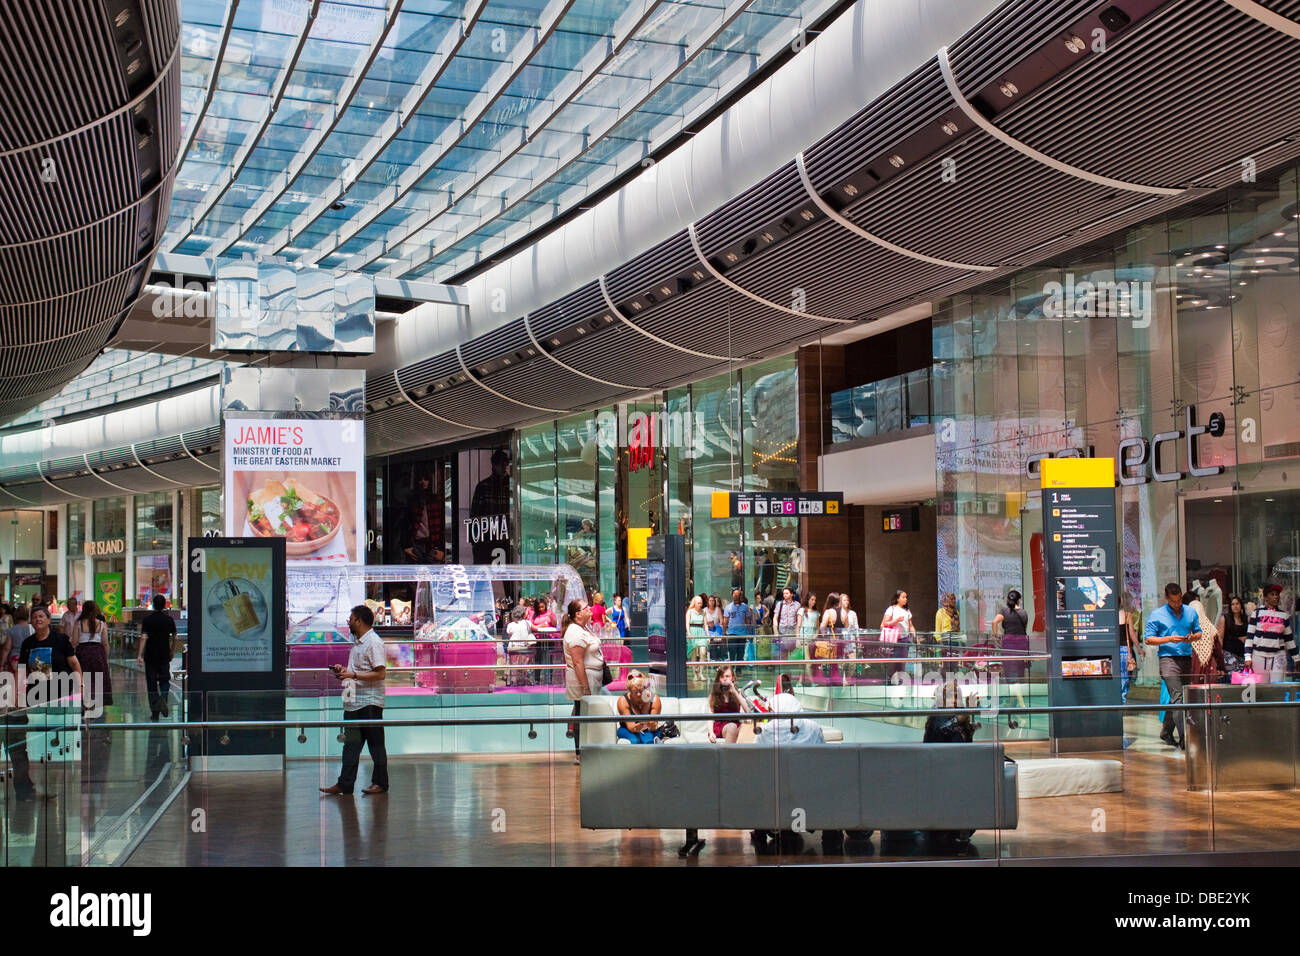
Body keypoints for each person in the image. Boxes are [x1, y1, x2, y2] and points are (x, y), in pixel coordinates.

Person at [321, 605, 389, 796]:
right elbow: (357, 671)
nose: (348, 622)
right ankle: (345, 784)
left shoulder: (374, 642)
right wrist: (343, 670)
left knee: (375, 745)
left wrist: (354, 675)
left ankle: (381, 783)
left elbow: (380, 673)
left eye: (350, 619)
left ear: (359, 620)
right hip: (354, 702)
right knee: (350, 746)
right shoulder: (358, 643)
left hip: (370, 703)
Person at [1144, 582, 1201, 749]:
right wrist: (1169, 638)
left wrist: (1192, 637)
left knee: (1176, 698)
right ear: (1166, 598)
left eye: (1179, 600)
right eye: (1173, 601)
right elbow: (1148, 638)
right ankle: (1185, 739)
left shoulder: (1190, 612)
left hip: (1186, 657)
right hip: (1167, 659)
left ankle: (1166, 732)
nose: (1176, 604)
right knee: (1178, 698)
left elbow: (1199, 632)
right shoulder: (1157, 614)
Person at [562, 598, 603, 763]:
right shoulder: (575, 632)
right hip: (583, 683)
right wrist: (585, 687)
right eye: (586, 607)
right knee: (581, 714)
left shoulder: (582, 628)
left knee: (584, 714)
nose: (590, 609)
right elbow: (577, 661)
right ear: (578, 614)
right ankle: (580, 752)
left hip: (592, 681)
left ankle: (586, 749)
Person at [137, 594, 177, 719]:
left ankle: (155, 713)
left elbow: (144, 637)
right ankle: (164, 697)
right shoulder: (169, 620)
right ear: (165, 605)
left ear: (153, 605)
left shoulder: (147, 620)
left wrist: (139, 655)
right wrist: (172, 650)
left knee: (152, 683)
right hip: (164, 654)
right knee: (165, 679)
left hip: (150, 656)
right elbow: (175, 637)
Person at [469, 448, 511, 565]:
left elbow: (474, 515)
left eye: (505, 464)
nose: (503, 467)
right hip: (491, 539)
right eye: (500, 464)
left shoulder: (507, 486)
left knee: (496, 573)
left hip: (496, 538)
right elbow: (474, 516)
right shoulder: (484, 486)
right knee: (500, 573)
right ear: (494, 465)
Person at [1245, 583, 1295, 679]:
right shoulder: (1257, 613)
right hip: (1258, 655)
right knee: (1262, 688)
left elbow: (1289, 639)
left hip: (1278, 655)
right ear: (1265, 598)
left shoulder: (1284, 615)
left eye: (1277, 595)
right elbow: (1250, 637)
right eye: (1272, 594)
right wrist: (1248, 656)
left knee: (1277, 686)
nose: (1275, 597)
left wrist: (1296, 658)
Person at [73, 599, 113, 711]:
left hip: (83, 653)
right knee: (98, 679)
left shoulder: (79, 623)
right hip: (97, 653)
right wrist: (106, 658)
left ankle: (85, 703)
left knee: (84, 679)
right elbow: (105, 643)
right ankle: (97, 704)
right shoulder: (101, 624)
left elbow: (74, 642)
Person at [615, 674, 662, 744]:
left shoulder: (654, 699)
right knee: (635, 740)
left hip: (647, 730)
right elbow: (631, 727)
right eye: (635, 692)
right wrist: (637, 727)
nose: (639, 694)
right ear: (629, 691)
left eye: (641, 691)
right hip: (627, 729)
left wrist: (652, 725)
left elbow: (653, 726)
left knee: (648, 740)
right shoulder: (623, 700)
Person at [707, 665, 748, 743]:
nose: (725, 679)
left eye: (727, 676)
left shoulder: (737, 694)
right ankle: (727, 754)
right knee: (732, 727)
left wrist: (735, 692)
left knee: (749, 724)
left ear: (732, 678)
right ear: (719, 679)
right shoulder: (714, 695)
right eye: (722, 677)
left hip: (736, 725)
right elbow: (710, 716)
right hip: (720, 727)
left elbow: (748, 711)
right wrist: (711, 732)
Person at [880, 590, 915, 682]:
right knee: (893, 663)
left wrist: (915, 635)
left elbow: (910, 625)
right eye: (903, 597)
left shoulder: (907, 611)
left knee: (901, 663)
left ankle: (900, 681)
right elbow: (883, 624)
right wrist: (896, 620)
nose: (905, 599)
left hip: (905, 639)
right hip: (894, 640)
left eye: (906, 597)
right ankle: (891, 681)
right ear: (897, 599)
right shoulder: (891, 609)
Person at [505, 605, 536, 687]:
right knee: (524, 665)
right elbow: (536, 628)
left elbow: (509, 635)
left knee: (514, 665)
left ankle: (514, 682)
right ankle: (524, 680)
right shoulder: (527, 623)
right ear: (523, 614)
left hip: (513, 647)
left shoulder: (510, 625)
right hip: (524, 648)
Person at [1218, 594, 1249, 673]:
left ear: (1241, 605)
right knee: (1232, 678)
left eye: (1237, 604)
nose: (1235, 606)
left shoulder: (1246, 619)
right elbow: (1220, 638)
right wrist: (1219, 655)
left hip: (1243, 654)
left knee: (1242, 680)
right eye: (1233, 604)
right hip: (1228, 653)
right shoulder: (1224, 619)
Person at [722, 589, 753, 663]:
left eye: (737, 594)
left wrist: (749, 632)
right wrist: (723, 633)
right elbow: (725, 621)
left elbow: (747, 620)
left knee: (741, 653)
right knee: (732, 652)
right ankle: (732, 669)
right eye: (734, 594)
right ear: (732, 595)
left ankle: (739, 669)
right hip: (731, 634)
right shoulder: (728, 607)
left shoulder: (745, 607)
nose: (736, 595)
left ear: (740, 595)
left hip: (742, 634)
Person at [685, 595, 709, 666]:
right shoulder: (690, 611)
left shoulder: (703, 612)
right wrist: (689, 633)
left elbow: (705, 625)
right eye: (698, 603)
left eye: (701, 603)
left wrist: (708, 636)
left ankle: (701, 673)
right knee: (693, 654)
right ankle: (695, 674)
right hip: (692, 632)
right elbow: (687, 624)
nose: (700, 605)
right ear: (694, 603)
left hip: (701, 632)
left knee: (703, 652)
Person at [704, 594, 724, 658]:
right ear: (708, 601)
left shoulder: (718, 609)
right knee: (711, 642)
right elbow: (703, 622)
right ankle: (713, 658)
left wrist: (719, 630)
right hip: (708, 630)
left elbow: (721, 620)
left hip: (717, 630)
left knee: (721, 642)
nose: (711, 602)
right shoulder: (704, 610)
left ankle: (721, 657)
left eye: (713, 600)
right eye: (710, 600)